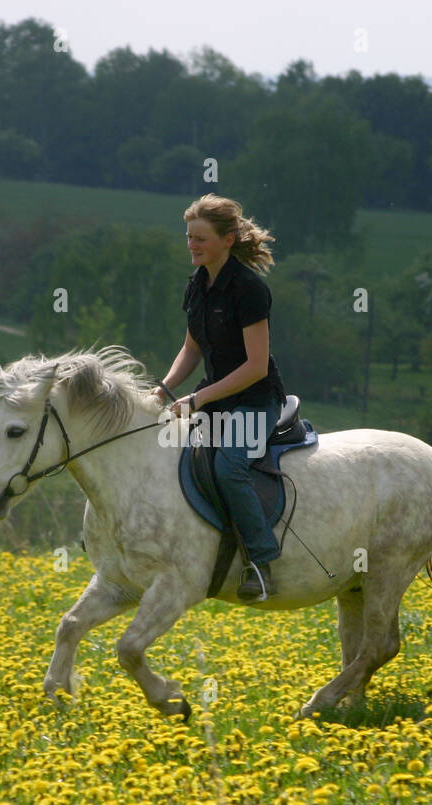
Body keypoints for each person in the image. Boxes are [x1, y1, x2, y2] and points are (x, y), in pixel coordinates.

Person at [149, 194, 288, 603]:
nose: (192, 245)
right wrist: (165, 387)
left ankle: (261, 564)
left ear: (228, 240)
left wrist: (197, 398)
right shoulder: (197, 286)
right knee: (162, 451)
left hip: (256, 402)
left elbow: (256, 367)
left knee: (229, 468)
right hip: (215, 402)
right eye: (189, 237)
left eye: (201, 239)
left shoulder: (249, 290)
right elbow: (192, 348)